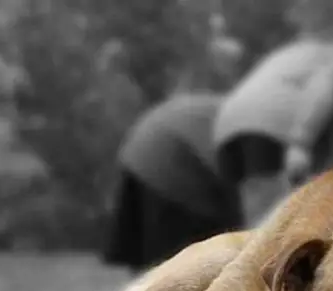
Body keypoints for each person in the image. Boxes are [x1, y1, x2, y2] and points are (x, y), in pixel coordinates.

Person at [212, 1, 333, 226]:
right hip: (271, 127)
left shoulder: (300, 52)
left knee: (256, 224)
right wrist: (300, 144)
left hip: (228, 131)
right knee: (273, 226)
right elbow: (321, 91)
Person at [102, 17, 245, 273]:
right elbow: (229, 172)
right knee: (174, 267)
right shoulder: (236, 121)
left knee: (151, 265)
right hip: (164, 163)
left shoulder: (224, 109)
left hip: (139, 155)